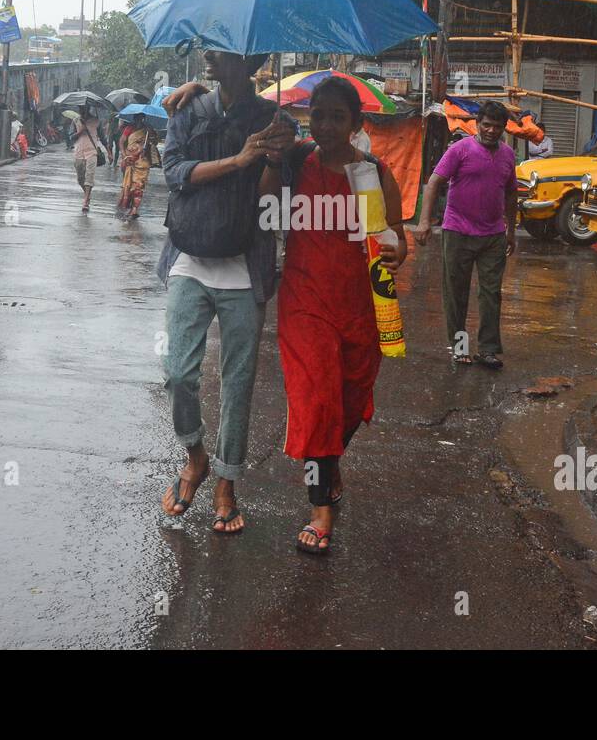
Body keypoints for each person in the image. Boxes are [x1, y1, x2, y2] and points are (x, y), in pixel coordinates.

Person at [157, 50, 297, 534]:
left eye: (224, 50)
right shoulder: (188, 107)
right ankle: (195, 456)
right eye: (209, 47)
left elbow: (271, 204)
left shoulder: (275, 120)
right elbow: (173, 172)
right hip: (189, 259)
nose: (210, 55)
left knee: (237, 384)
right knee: (178, 373)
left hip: (245, 268)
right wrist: (237, 158)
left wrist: (274, 161)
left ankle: (226, 483)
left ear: (253, 59)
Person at [275, 77, 407, 554]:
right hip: (305, 302)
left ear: (355, 123)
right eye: (319, 115)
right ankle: (319, 510)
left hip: (360, 305)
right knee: (316, 398)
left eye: (336, 116)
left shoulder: (369, 173)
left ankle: (329, 465)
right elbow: (265, 208)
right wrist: (270, 157)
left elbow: (392, 233)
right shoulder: (294, 162)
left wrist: (397, 251)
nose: (325, 125)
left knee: (349, 399)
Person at [415, 101, 518, 369]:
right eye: (486, 125)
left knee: (491, 293)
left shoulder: (508, 155)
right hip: (458, 230)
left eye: (497, 126)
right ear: (477, 124)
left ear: (504, 128)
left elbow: (510, 193)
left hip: (493, 234)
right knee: (456, 293)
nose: (492, 131)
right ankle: (460, 347)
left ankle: (488, 350)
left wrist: (511, 231)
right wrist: (424, 222)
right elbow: (434, 183)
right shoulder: (460, 150)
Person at [117, 115, 158, 219]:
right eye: (137, 118)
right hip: (129, 160)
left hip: (142, 161)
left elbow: (155, 142)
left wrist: (150, 136)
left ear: (144, 119)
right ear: (134, 119)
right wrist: (123, 154)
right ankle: (128, 207)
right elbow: (121, 141)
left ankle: (134, 209)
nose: (139, 121)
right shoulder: (129, 128)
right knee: (128, 185)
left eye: (141, 119)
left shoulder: (148, 130)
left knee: (138, 185)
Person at [71, 104, 108, 214]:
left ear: (88, 109)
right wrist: (80, 132)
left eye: (85, 108)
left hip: (92, 152)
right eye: (81, 109)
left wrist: (109, 152)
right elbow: (70, 137)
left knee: (89, 176)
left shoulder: (96, 121)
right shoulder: (75, 121)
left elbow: (102, 138)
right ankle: (87, 195)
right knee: (80, 179)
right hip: (78, 152)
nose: (83, 110)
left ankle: (85, 201)